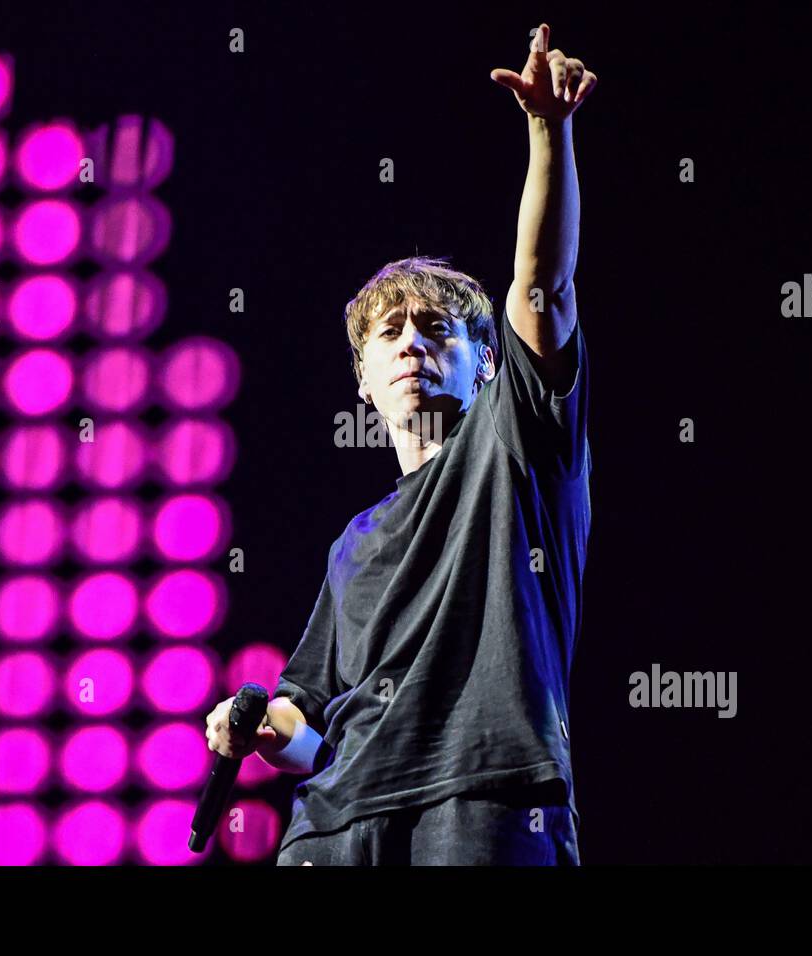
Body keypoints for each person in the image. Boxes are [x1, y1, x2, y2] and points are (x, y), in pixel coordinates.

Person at [206, 22, 597, 865]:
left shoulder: (517, 448)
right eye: (388, 333)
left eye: (435, 328)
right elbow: (307, 725)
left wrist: (548, 133)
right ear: (361, 378)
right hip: (335, 826)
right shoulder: (353, 544)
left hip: (484, 802)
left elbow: (542, 283)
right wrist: (256, 726)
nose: (410, 343)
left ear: (487, 360)